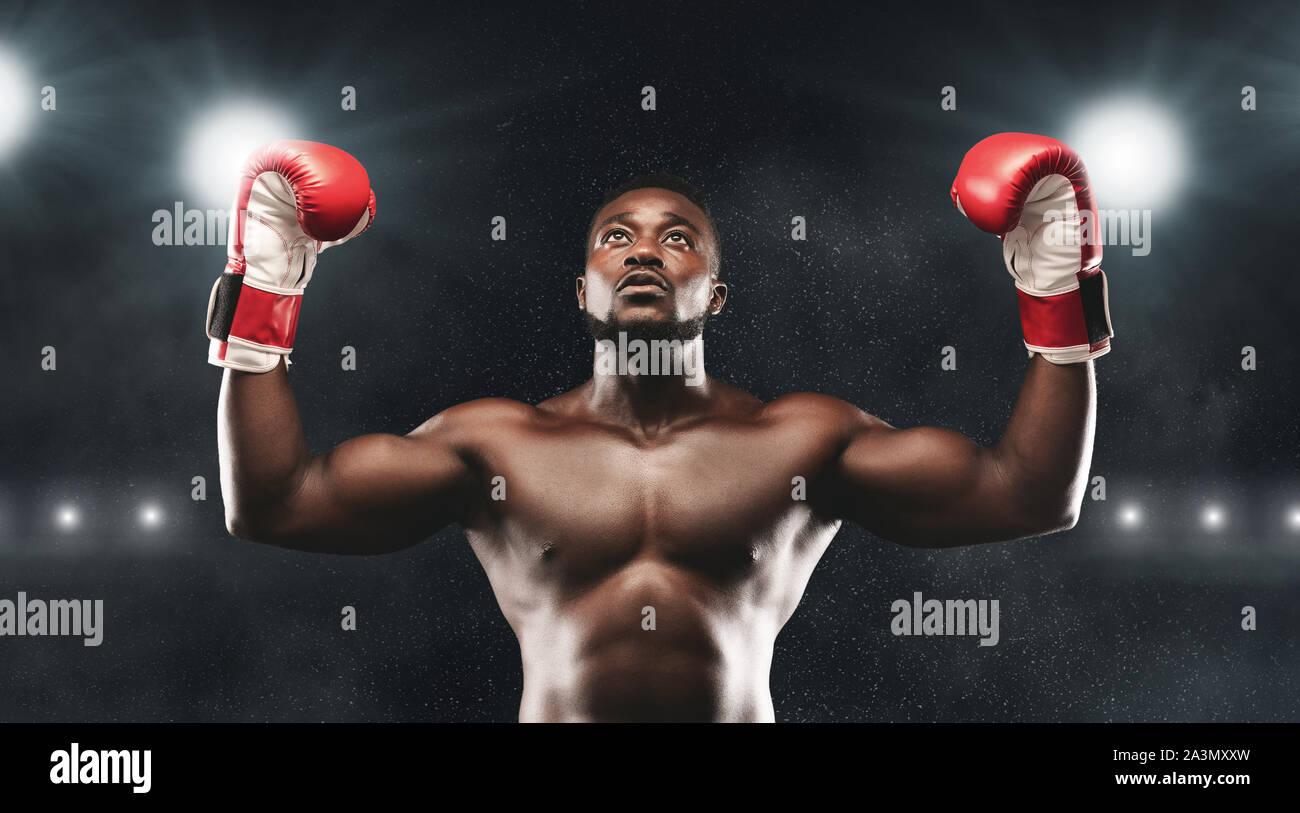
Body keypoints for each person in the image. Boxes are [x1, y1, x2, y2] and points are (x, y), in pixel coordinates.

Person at [206, 134, 1112, 722]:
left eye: (677, 237)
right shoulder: (494, 446)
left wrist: (1056, 297)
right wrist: (268, 297)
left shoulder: (801, 442)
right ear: (582, 291)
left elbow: (1031, 493)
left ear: (713, 294)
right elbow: (275, 504)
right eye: (616, 237)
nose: (643, 248)